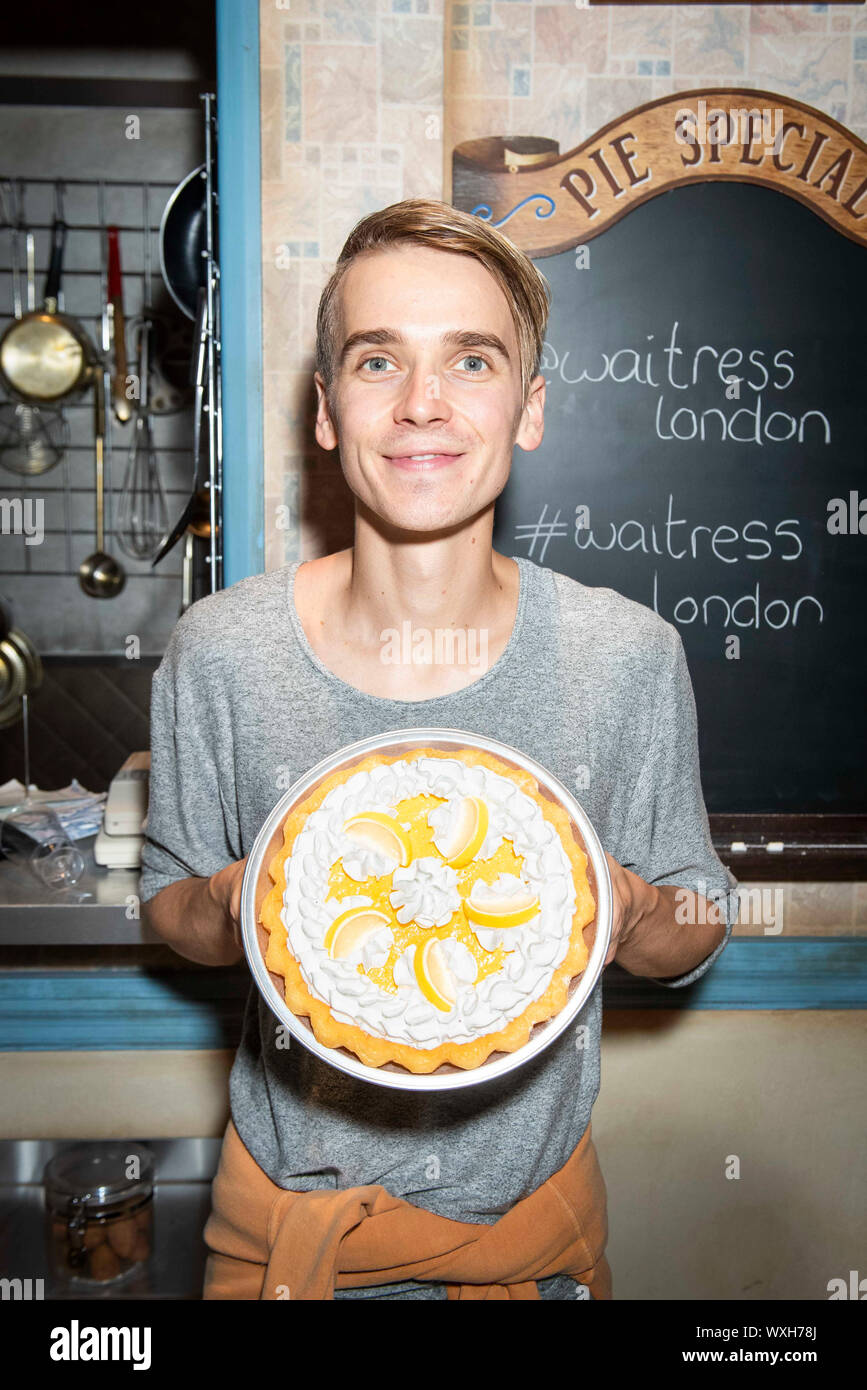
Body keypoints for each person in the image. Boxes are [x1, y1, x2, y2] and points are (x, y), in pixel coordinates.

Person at [140, 197, 737, 1300]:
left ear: (530, 407)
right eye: (377, 362)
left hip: (529, 1255)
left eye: (471, 360)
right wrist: (232, 907)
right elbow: (167, 898)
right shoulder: (220, 651)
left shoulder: (627, 654)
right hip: (284, 1248)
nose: (422, 404)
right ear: (326, 410)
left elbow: (701, 919)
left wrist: (629, 908)